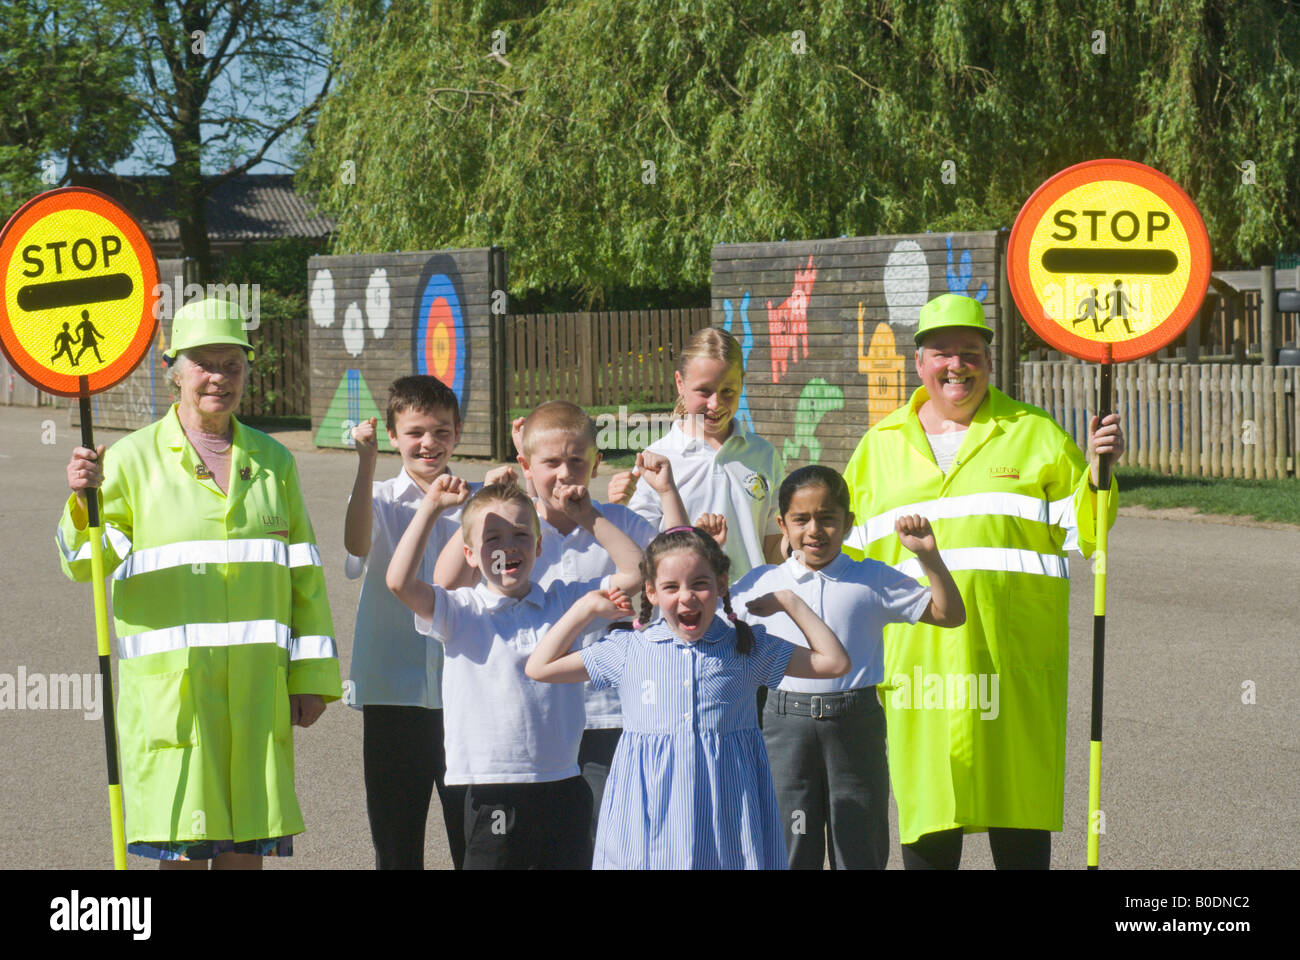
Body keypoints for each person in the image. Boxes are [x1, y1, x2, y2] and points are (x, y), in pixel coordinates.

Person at [841, 292, 1124, 870]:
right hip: (917, 667)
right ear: (919, 363)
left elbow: (1087, 531)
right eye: (942, 353)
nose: (956, 366)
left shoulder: (1035, 433)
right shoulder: (879, 448)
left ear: (988, 362)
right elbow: (845, 563)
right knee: (929, 815)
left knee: (1017, 816)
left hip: (1013, 659)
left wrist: (1099, 475)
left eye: (970, 352)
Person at [57, 297, 341, 869]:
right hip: (175, 698)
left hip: (256, 694)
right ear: (175, 373)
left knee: (244, 851)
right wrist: (82, 503)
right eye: (204, 363)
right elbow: (84, 563)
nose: (219, 377)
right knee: (184, 855)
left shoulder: (273, 462)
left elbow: (304, 575)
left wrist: (311, 677)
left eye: (232, 364)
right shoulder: (131, 461)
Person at [431, 401, 689, 846]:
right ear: (526, 465)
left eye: (577, 461)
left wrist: (604, 513)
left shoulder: (618, 522)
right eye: (551, 462)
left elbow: (678, 564)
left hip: (607, 713)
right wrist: (483, 503)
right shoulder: (512, 527)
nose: (565, 473)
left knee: (603, 836)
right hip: (534, 717)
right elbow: (447, 581)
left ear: (596, 464)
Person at [526, 527, 851, 869]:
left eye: (700, 583)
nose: (687, 597)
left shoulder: (747, 648)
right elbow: (539, 666)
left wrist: (790, 603)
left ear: (722, 585)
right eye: (670, 586)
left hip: (726, 814)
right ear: (650, 592)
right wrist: (584, 609)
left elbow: (835, 662)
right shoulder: (629, 650)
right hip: (649, 817)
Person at [387, 480, 643, 869]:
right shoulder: (460, 610)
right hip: (494, 786)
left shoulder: (561, 600)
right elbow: (399, 582)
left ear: (539, 548)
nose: (508, 546)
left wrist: (588, 515)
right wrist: (432, 507)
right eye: (493, 538)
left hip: (563, 780)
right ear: (470, 553)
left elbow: (636, 571)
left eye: (521, 535)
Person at [731, 466, 965, 870]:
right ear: (781, 523)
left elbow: (949, 613)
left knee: (859, 843)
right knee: (790, 842)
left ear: (849, 524)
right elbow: (707, 626)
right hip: (784, 726)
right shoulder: (759, 583)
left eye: (828, 518)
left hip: (855, 722)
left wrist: (929, 557)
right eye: (801, 519)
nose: (814, 530)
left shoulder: (870, 577)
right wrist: (712, 553)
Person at [343, 375, 491, 870]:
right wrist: (365, 466)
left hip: (463, 691)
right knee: (396, 840)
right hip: (393, 693)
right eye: (415, 432)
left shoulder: (475, 502)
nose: (429, 443)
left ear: (458, 431)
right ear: (392, 435)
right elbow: (356, 546)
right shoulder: (381, 496)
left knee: (471, 840)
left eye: (442, 431)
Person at [615, 326, 784, 582]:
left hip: (755, 611)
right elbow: (643, 554)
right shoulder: (657, 459)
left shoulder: (764, 455)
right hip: (685, 613)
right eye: (704, 391)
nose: (715, 403)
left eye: (728, 391)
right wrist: (618, 510)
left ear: (742, 382)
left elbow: (774, 545)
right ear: (680, 383)